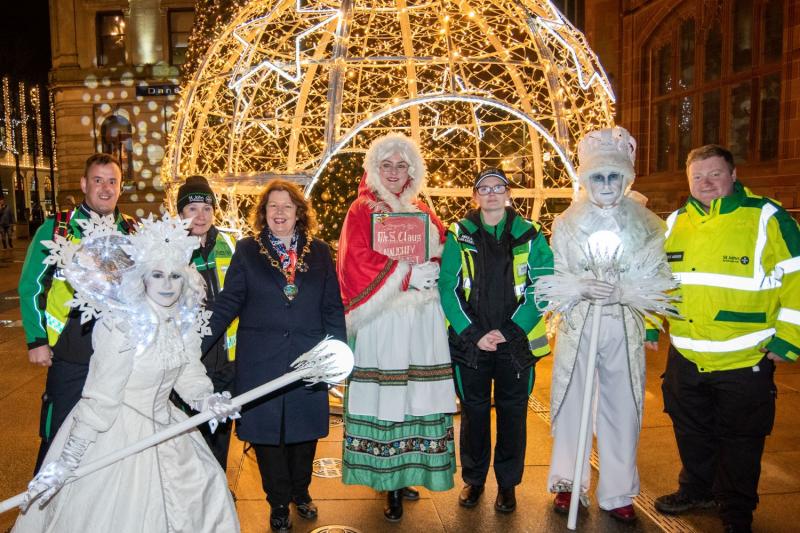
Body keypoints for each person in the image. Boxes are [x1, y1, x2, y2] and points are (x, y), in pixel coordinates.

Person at [13, 213, 241, 532]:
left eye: (174, 276)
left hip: (167, 426)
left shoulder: (182, 323)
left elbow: (189, 373)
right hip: (114, 432)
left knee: (204, 489)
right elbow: (100, 400)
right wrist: (66, 461)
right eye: (157, 275)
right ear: (143, 278)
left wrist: (206, 400)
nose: (166, 285)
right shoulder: (121, 327)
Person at [655, 144, 800, 533]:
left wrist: (789, 340)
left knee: (741, 440)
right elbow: (660, 283)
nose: (706, 182)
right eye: (697, 176)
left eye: (715, 174)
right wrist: (652, 324)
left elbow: (796, 278)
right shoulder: (675, 222)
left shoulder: (767, 217)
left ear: (733, 176)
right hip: (686, 355)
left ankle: (737, 511)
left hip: (745, 358)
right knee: (691, 432)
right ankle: (697, 490)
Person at [536, 127, 675, 523]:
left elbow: (657, 276)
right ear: (586, 179)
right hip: (580, 324)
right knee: (572, 404)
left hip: (623, 325)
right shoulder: (566, 222)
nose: (608, 184)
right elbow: (555, 274)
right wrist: (578, 287)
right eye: (599, 177)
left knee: (623, 407)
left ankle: (617, 492)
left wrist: (631, 301)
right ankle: (568, 482)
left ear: (627, 178)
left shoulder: (647, 224)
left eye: (615, 176)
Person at [203, 179, 346, 533]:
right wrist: (197, 344)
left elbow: (332, 308)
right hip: (261, 361)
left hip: (308, 360)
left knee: (304, 435)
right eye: (272, 207)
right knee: (266, 437)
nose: (279, 213)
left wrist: (337, 355)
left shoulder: (321, 252)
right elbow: (228, 303)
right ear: (263, 213)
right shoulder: (247, 250)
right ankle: (278, 502)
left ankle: (301, 489)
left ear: (299, 212)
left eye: (286, 206)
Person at [337, 133, 457, 522]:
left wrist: (435, 265)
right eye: (386, 165)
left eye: (400, 165)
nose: (393, 172)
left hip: (419, 320)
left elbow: (443, 244)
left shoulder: (421, 208)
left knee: (411, 401)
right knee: (388, 399)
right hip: (384, 320)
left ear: (411, 169)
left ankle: (406, 471)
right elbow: (354, 262)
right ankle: (386, 483)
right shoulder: (361, 209)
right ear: (374, 168)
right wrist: (405, 276)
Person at [438, 168, 553, 513]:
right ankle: (474, 481)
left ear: (508, 193)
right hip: (471, 345)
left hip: (515, 344)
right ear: (475, 196)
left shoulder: (530, 234)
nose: (490, 193)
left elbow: (543, 287)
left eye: (497, 187)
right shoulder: (460, 234)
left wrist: (509, 331)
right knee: (473, 415)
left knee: (512, 415)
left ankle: (507, 485)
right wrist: (474, 334)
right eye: (483, 188)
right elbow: (448, 288)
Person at [18, 153, 136, 471]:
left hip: (118, 350)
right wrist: (37, 339)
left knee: (111, 434)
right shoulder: (56, 227)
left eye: (112, 181)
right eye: (98, 180)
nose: (105, 188)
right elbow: (31, 287)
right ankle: (39, 511)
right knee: (57, 433)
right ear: (84, 183)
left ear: (121, 187)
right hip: (71, 348)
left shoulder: (132, 230)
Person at [175, 175, 238, 472]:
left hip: (227, 357)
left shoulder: (228, 243)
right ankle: (196, 491)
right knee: (191, 433)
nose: (200, 216)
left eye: (206, 209)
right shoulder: (171, 250)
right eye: (192, 209)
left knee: (221, 430)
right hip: (191, 358)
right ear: (180, 213)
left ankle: (219, 489)